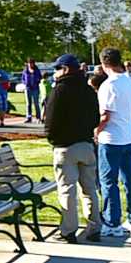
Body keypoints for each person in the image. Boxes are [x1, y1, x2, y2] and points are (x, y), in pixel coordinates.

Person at [43, 53, 102, 243]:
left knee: (67, 189)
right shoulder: (88, 90)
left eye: (57, 69)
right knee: (89, 188)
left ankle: (68, 230)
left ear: (65, 69)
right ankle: (94, 227)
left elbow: (50, 121)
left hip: (65, 147)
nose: (56, 73)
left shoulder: (59, 90)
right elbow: (95, 118)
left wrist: (53, 139)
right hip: (86, 144)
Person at [93, 50, 131, 236]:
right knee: (130, 178)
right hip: (127, 137)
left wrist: (96, 131)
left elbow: (105, 115)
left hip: (111, 138)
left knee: (109, 181)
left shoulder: (108, 85)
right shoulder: (128, 81)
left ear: (104, 62)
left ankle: (113, 223)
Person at [22, 59, 43, 124]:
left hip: (35, 88)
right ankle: (29, 117)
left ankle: (38, 117)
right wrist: (25, 83)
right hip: (28, 88)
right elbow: (23, 78)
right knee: (28, 104)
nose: (30, 64)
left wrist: (37, 81)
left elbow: (40, 78)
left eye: (31, 63)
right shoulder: (25, 71)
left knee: (36, 103)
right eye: (29, 63)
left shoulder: (37, 70)